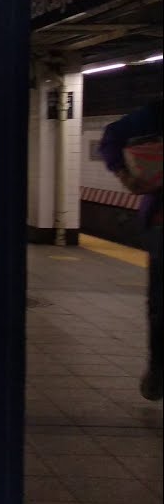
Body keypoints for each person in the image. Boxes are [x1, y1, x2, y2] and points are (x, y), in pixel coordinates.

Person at [98, 96, 163, 401]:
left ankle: (158, 371)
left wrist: (125, 174)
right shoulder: (156, 112)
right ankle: (159, 368)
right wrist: (125, 174)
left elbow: (113, 136)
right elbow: (113, 135)